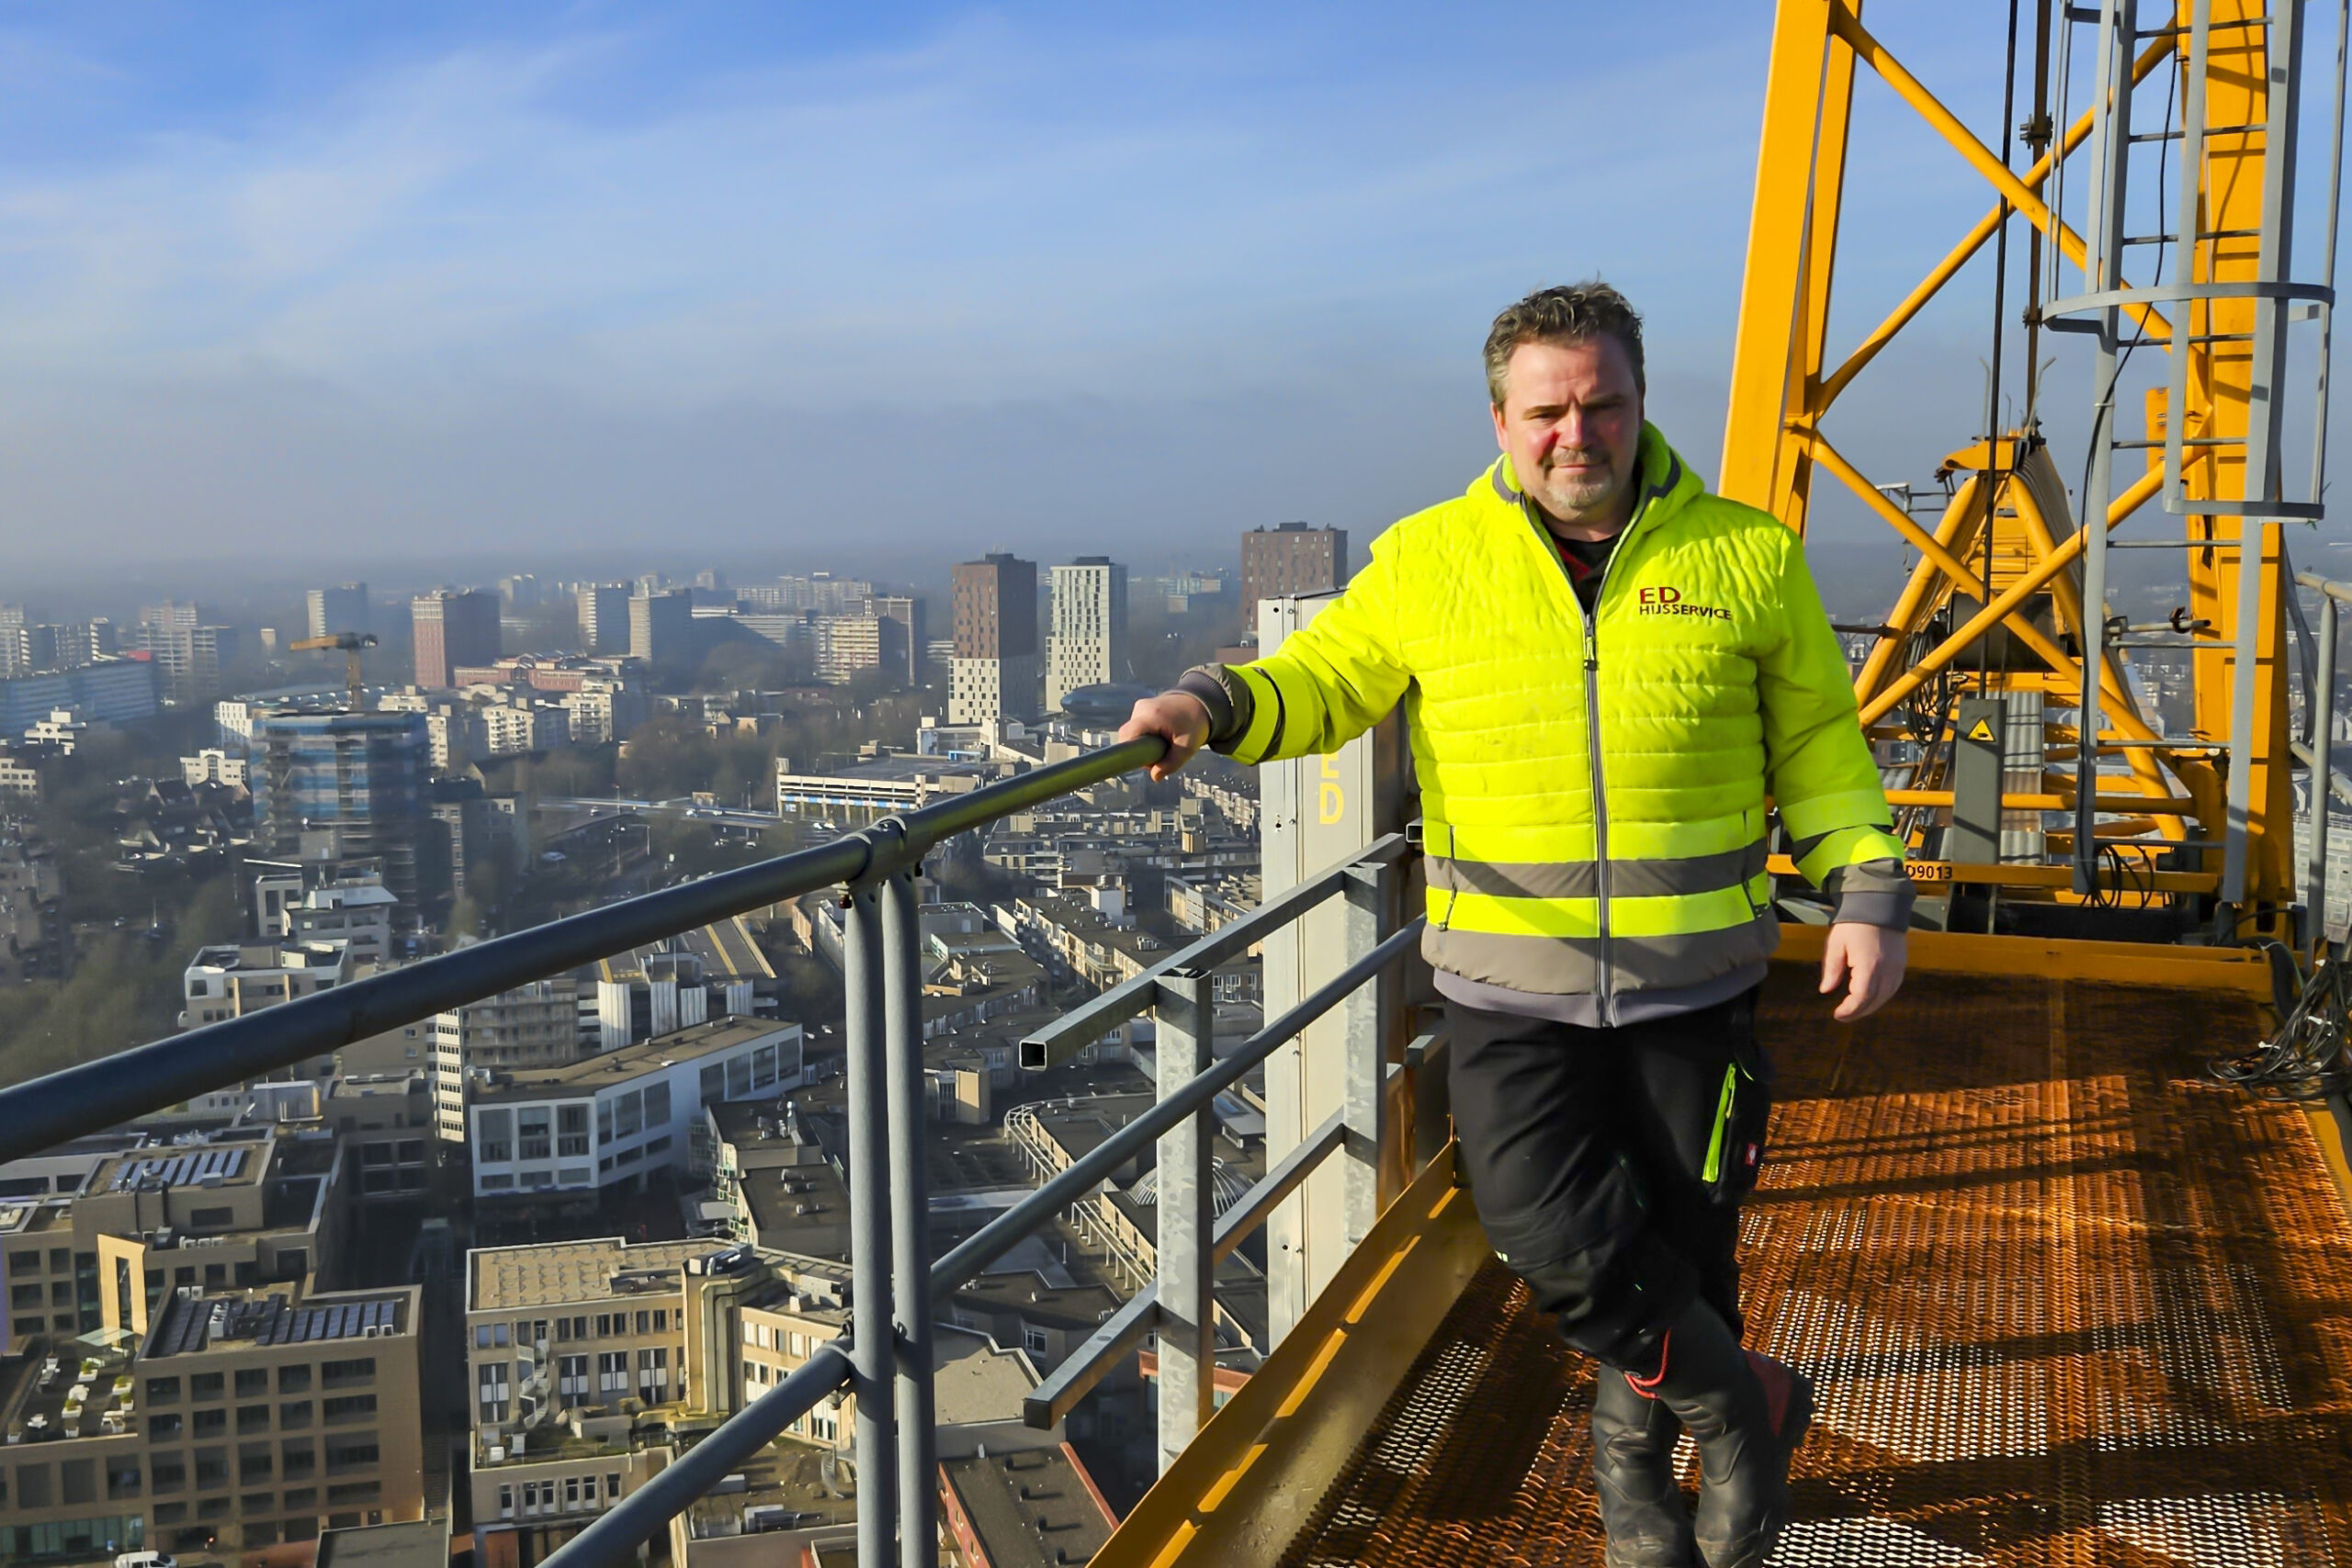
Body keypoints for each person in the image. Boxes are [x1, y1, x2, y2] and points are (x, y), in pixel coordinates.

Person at [1119, 282, 1911, 1568]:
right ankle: (1740, 1407)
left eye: (1600, 404)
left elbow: (1819, 744)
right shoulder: (1432, 560)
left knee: (1683, 1258)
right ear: (1500, 420)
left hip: (1694, 987)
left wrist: (1867, 891)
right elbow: (1325, 679)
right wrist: (1207, 703)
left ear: (1641, 404)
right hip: (1506, 989)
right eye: (1547, 411)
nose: (1575, 435)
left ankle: (1644, 1514)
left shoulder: (1746, 556)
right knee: (1555, 1239)